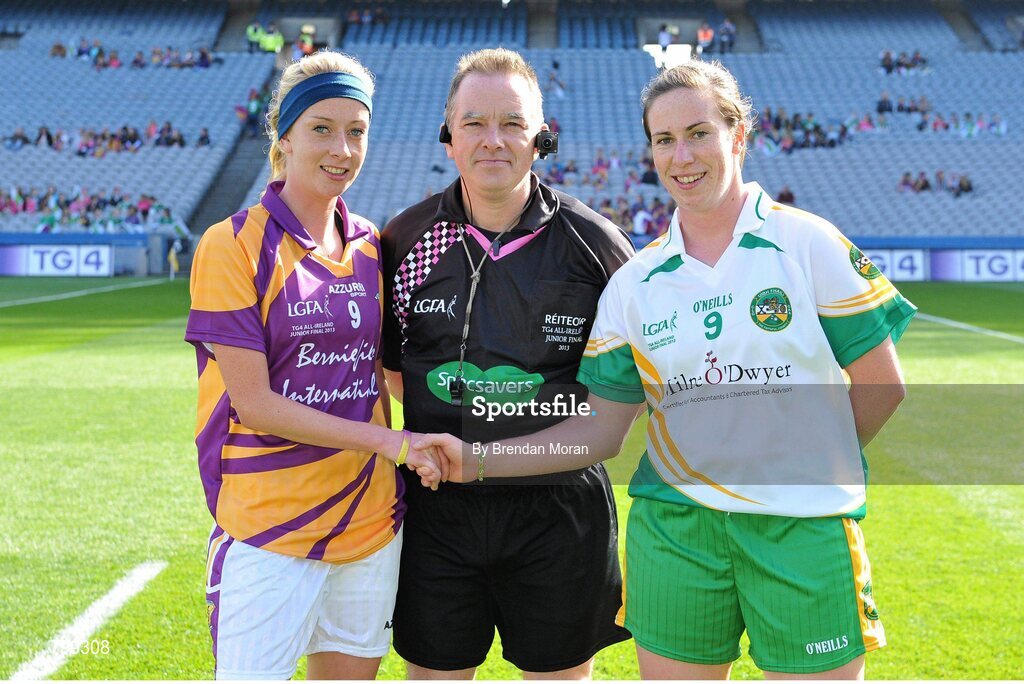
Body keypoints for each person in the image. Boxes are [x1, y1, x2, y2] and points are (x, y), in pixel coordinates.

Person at [420, 60, 916, 680]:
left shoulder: (808, 243)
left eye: (699, 132)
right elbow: (601, 433)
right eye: (664, 140)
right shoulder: (635, 282)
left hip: (801, 529)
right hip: (675, 532)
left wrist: (808, 464)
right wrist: (476, 461)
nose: (683, 155)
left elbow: (882, 384)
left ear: (738, 136)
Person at [184, 51, 442, 680]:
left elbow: (384, 372)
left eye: (356, 131)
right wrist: (396, 443)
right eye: (322, 128)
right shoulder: (232, 244)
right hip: (271, 528)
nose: (342, 148)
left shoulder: (372, 245)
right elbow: (257, 405)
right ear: (286, 135)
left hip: (371, 523)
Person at [380, 48, 634, 679]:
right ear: (448, 135)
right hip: (438, 512)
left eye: (512, 123)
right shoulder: (402, 241)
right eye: (474, 123)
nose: (493, 140)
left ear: (541, 136)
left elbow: (620, 406)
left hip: (559, 514)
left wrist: (502, 455)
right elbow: (391, 368)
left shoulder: (596, 245)